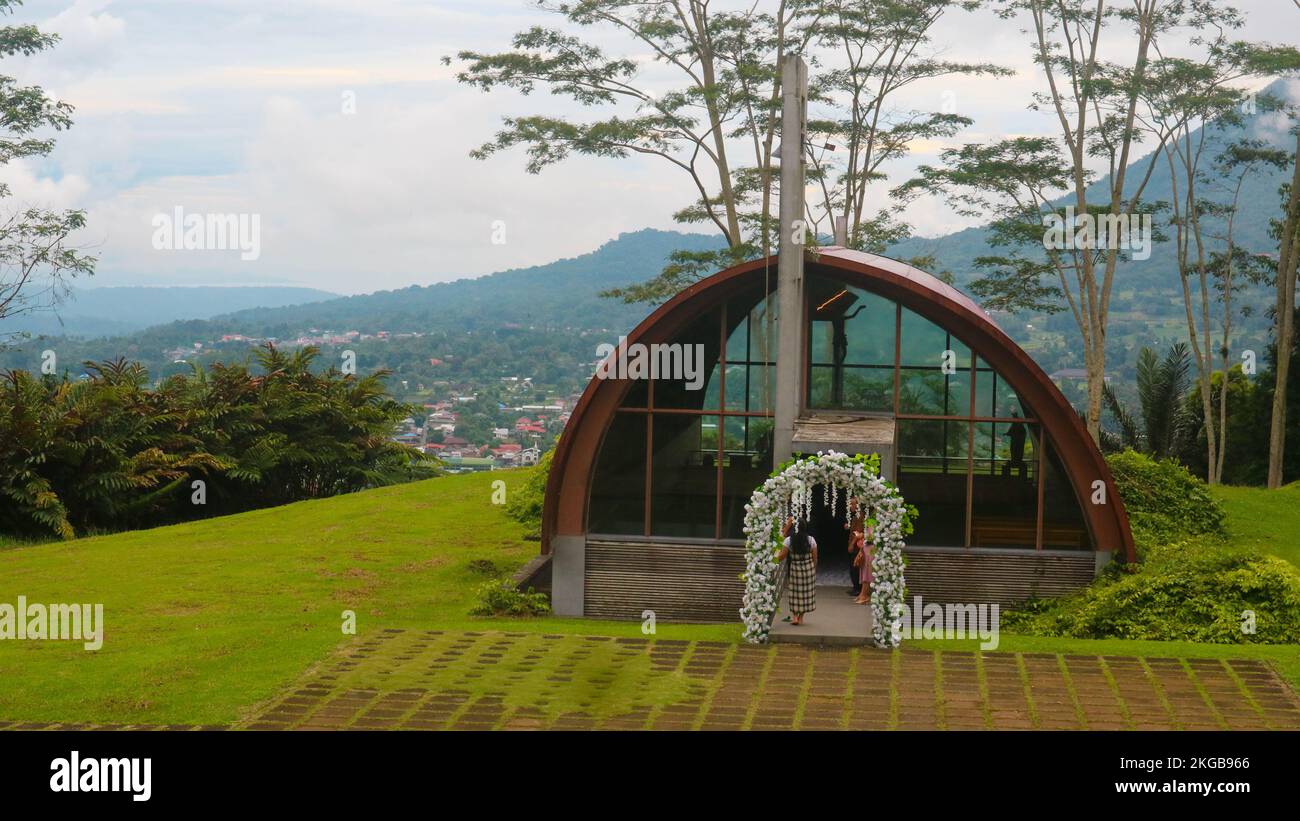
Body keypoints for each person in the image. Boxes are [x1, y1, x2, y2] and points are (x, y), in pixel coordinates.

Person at [778, 517, 817, 626]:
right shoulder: (811, 540)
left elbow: (782, 556)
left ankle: (794, 617)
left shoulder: (789, 540)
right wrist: (813, 569)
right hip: (808, 568)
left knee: (795, 593)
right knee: (806, 594)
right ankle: (800, 618)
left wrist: (772, 558)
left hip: (795, 568)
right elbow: (815, 558)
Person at [844, 496, 865, 596]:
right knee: (853, 567)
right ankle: (856, 587)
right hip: (855, 543)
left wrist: (851, 544)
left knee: (855, 567)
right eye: (850, 503)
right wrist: (849, 527)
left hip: (857, 545)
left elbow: (858, 532)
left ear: (858, 505)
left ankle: (857, 588)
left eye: (852, 504)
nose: (850, 506)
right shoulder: (855, 516)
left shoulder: (859, 516)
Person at [852, 522, 875, 605]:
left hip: (870, 550)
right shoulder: (871, 523)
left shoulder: (875, 523)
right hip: (867, 549)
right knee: (865, 571)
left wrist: (861, 536)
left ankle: (865, 595)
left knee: (867, 573)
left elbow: (871, 537)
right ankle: (863, 594)